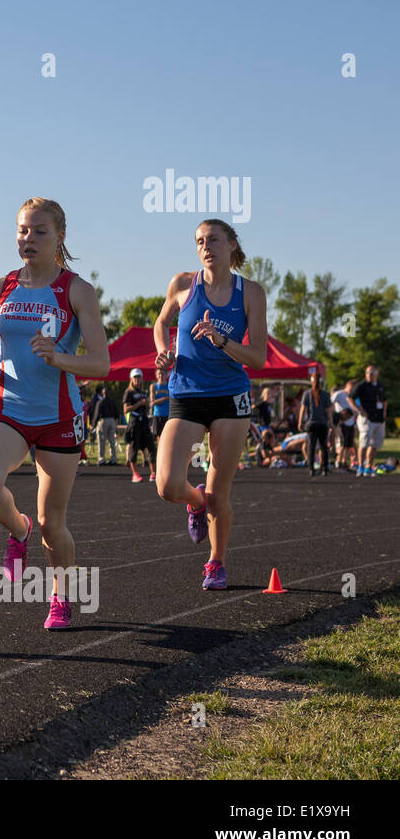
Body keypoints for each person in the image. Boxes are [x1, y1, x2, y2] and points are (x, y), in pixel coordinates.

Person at [0, 198, 109, 629]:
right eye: (22, 230)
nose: (28, 239)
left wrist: (61, 358)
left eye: (39, 231)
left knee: (54, 522)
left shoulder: (77, 291)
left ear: (59, 236)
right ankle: (18, 528)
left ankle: (61, 596)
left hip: (59, 416)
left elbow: (101, 364)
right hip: (9, 408)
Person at [152, 219, 268, 591]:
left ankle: (216, 563)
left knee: (222, 493)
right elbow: (160, 322)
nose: (206, 247)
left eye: (214, 240)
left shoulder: (250, 292)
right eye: (200, 241)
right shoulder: (182, 284)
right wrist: (162, 352)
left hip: (230, 396)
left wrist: (221, 342)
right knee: (168, 484)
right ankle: (194, 500)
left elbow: (258, 357)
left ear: (232, 245)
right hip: (186, 393)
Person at [351, 365, 387, 476]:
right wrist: (359, 410)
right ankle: (360, 466)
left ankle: (368, 466)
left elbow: (384, 401)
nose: (369, 375)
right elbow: (350, 398)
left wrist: (384, 412)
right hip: (367, 419)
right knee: (364, 442)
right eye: (368, 373)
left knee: (375, 443)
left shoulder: (380, 386)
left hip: (379, 419)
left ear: (377, 373)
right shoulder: (362, 385)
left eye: (372, 373)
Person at [122, 368, 155, 483]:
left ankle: (153, 473)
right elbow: (125, 409)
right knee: (133, 448)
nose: (137, 379)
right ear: (131, 379)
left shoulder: (143, 392)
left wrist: (146, 405)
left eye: (139, 377)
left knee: (151, 446)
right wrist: (139, 404)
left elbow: (147, 408)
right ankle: (135, 474)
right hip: (134, 422)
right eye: (135, 377)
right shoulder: (129, 392)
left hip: (144, 421)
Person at [298, 370, 332, 477]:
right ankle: (325, 468)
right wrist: (330, 422)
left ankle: (311, 468)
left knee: (311, 446)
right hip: (322, 423)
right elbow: (328, 410)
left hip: (311, 423)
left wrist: (300, 422)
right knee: (324, 446)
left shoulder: (307, 394)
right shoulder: (325, 395)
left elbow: (303, 409)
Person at [331, 379, 362, 474]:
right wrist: (335, 416)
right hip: (341, 422)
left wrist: (355, 424)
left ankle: (344, 461)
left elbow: (356, 410)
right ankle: (338, 462)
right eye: (351, 388)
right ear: (347, 386)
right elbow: (330, 404)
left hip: (350, 423)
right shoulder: (339, 394)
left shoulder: (354, 396)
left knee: (349, 444)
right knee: (342, 444)